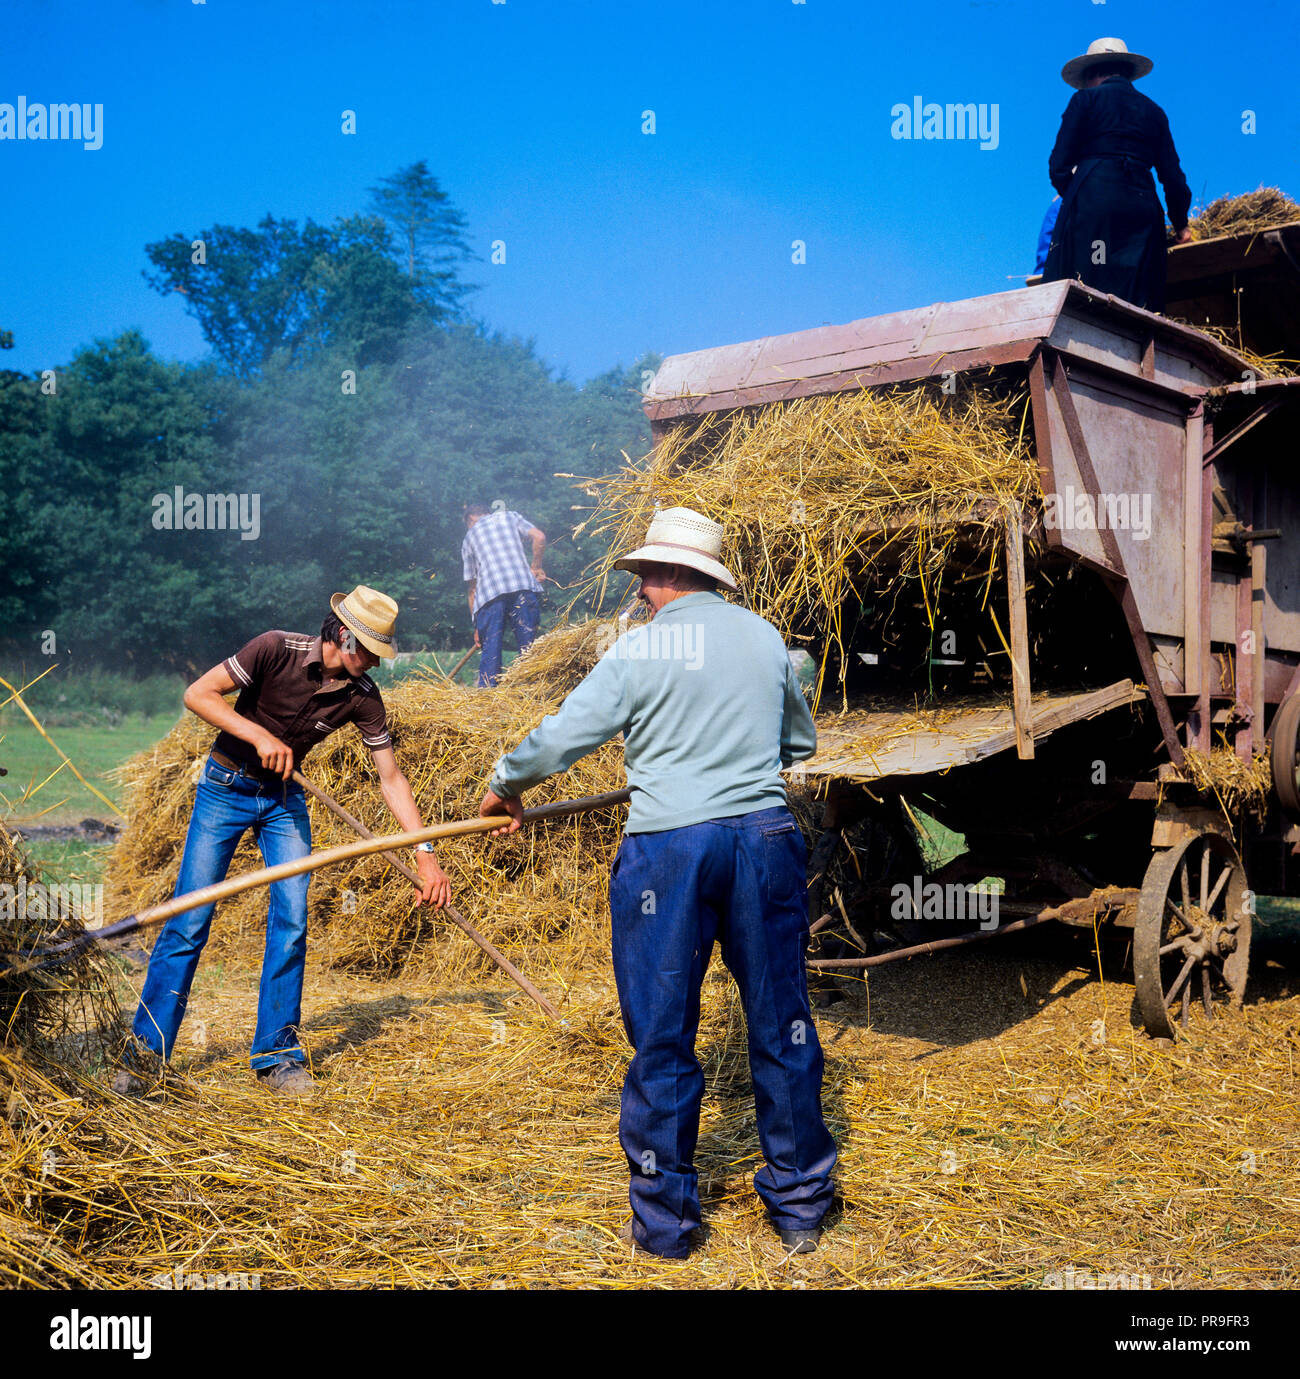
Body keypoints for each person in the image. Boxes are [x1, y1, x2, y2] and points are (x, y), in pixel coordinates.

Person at [477, 507, 837, 1258]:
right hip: (763, 842)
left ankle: (669, 1227)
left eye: (643, 576)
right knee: (781, 1020)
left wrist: (506, 782)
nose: (639, 590)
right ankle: (801, 1207)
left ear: (668, 576)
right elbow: (798, 741)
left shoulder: (639, 648)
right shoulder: (765, 637)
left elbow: (569, 733)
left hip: (669, 850)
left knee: (663, 1035)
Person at [117, 586, 452, 1097]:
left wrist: (425, 854)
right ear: (342, 635)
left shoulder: (362, 696)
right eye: (368, 652)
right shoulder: (275, 648)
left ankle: (276, 1056)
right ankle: (144, 1057)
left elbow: (392, 779)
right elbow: (198, 695)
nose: (375, 665)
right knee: (188, 921)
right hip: (224, 789)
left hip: (282, 801)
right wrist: (258, 735)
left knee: (293, 921)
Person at [1042, 37, 1192, 312]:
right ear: (1125, 72)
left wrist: (1078, 196)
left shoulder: (1085, 100)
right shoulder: (1155, 112)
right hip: (1142, 208)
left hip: (1094, 205)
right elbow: (1173, 178)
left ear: (1092, 74)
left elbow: (1058, 165)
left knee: (1089, 283)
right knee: (1136, 292)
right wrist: (1180, 224)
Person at [462, 504, 546, 687]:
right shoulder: (510, 516)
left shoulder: (469, 537)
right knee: (530, 650)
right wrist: (536, 567)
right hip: (522, 586)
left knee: (490, 653)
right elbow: (539, 537)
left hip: (489, 596)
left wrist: (477, 626)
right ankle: (534, 693)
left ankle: (487, 701)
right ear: (487, 513)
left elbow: (472, 589)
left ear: (469, 520)